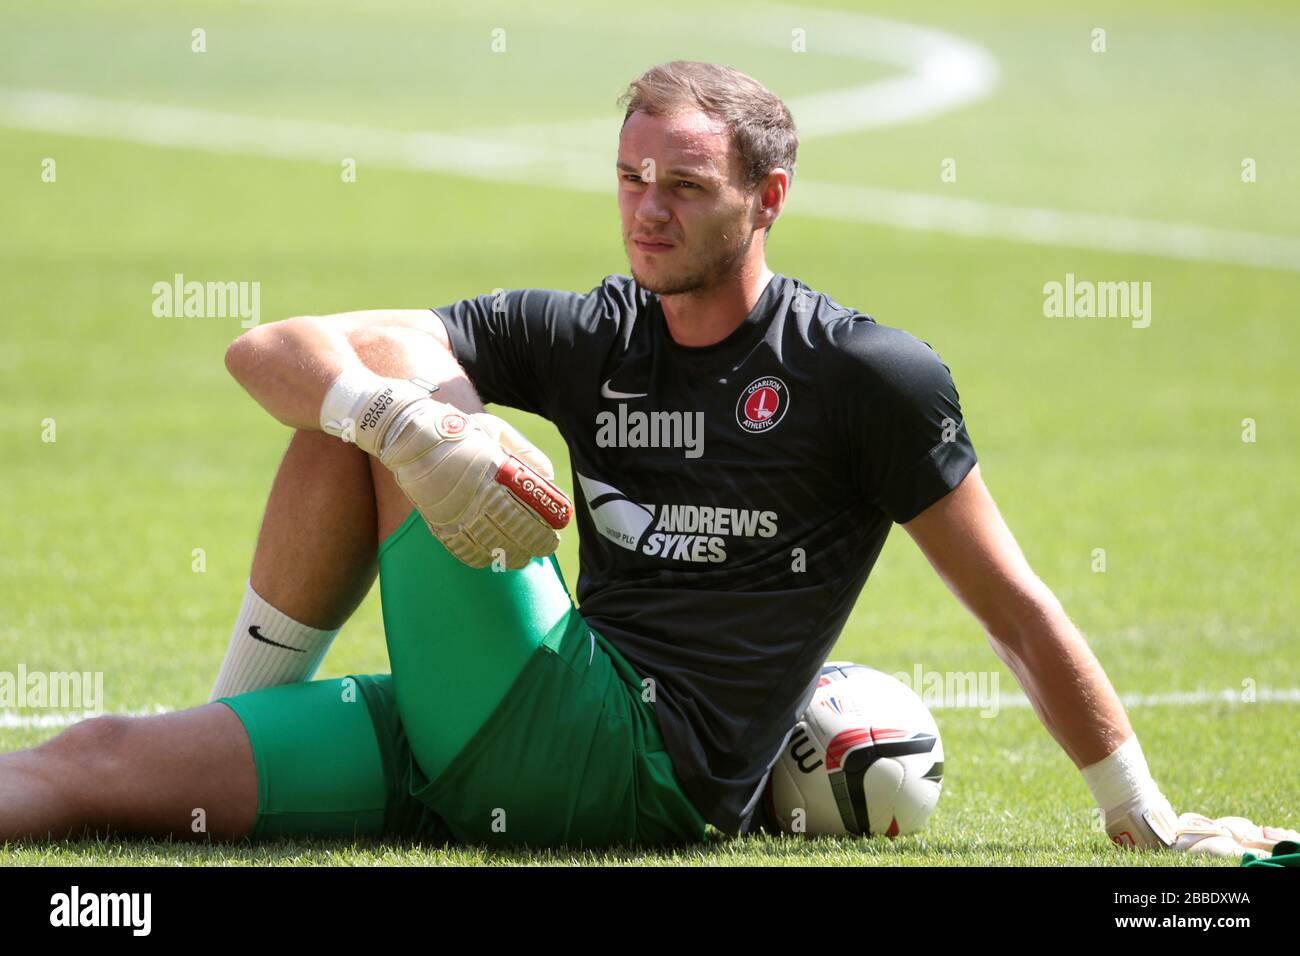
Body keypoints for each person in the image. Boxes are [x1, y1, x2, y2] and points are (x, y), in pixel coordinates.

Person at [0, 61, 1290, 857]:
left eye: (683, 183)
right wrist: (410, 429)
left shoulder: (864, 377)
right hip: (502, 727)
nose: (647, 211)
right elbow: (265, 348)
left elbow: (1013, 604)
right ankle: (238, 705)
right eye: (628, 179)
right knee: (92, 767)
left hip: (633, 761)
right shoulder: (586, 330)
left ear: (767, 198)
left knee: (390, 380)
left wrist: (1143, 813)